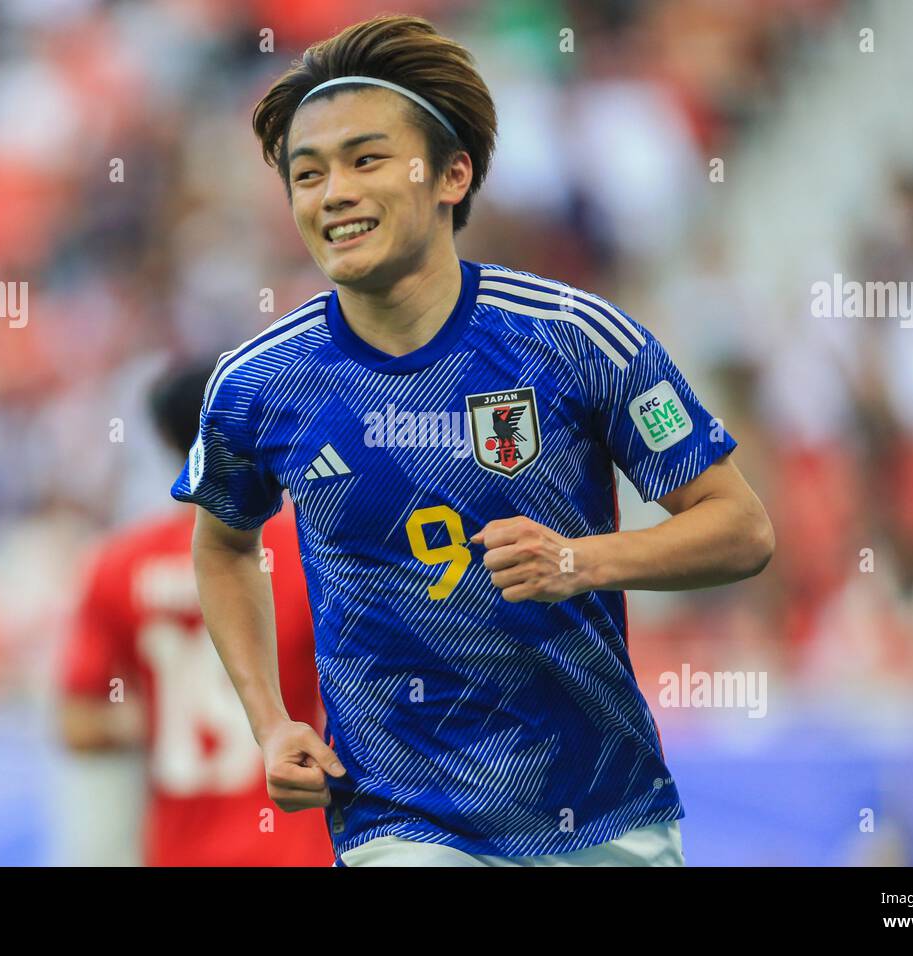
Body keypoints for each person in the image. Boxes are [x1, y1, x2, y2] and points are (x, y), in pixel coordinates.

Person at [172, 14, 774, 866]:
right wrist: (271, 723)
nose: (331, 193)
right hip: (400, 819)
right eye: (306, 176)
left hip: (602, 809)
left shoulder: (578, 340)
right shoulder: (259, 384)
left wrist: (583, 561)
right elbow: (224, 547)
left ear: (452, 174)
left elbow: (741, 529)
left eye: (365, 160)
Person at [62, 361, 332, 866]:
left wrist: (169, 716)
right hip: (294, 846)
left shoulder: (119, 563)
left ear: (162, 437)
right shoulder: (302, 551)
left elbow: (79, 724)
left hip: (179, 847)